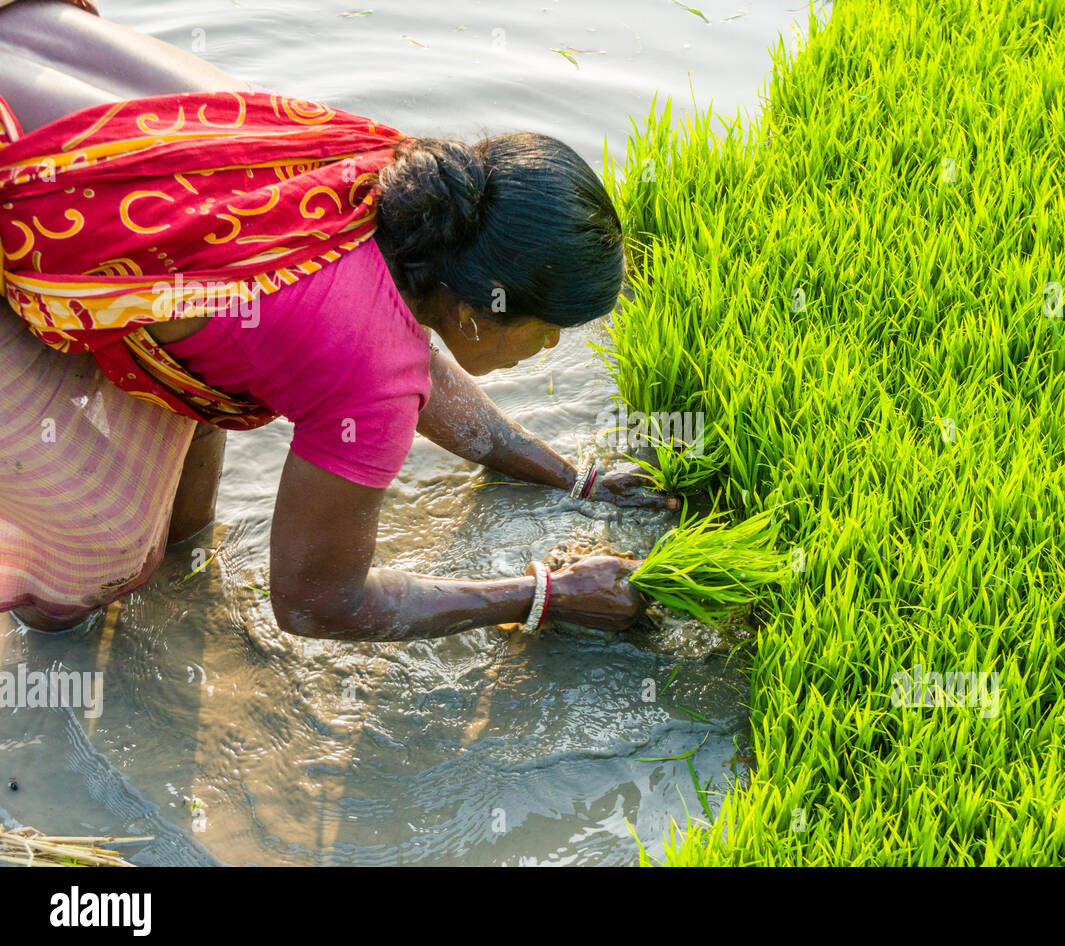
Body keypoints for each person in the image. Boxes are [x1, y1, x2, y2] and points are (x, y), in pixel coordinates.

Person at [0, 0, 676, 639]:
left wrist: (573, 479)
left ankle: (177, 598)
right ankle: (54, 689)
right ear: (479, 301)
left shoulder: (395, 178)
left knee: (201, 422)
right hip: (18, 209)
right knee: (96, 557)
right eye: (548, 324)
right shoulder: (372, 376)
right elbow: (318, 602)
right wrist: (548, 596)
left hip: (30, 69)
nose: (552, 344)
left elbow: (414, 363)